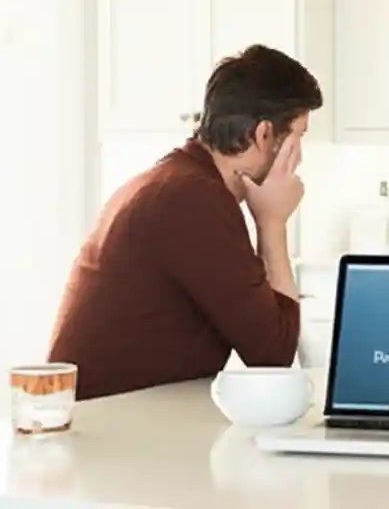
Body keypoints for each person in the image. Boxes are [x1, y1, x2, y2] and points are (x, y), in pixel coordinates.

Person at [48, 44, 322, 400]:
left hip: (121, 423)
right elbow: (273, 356)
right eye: (298, 136)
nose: (299, 156)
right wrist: (273, 224)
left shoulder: (180, 181)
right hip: (113, 435)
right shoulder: (194, 201)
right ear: (264, 135)